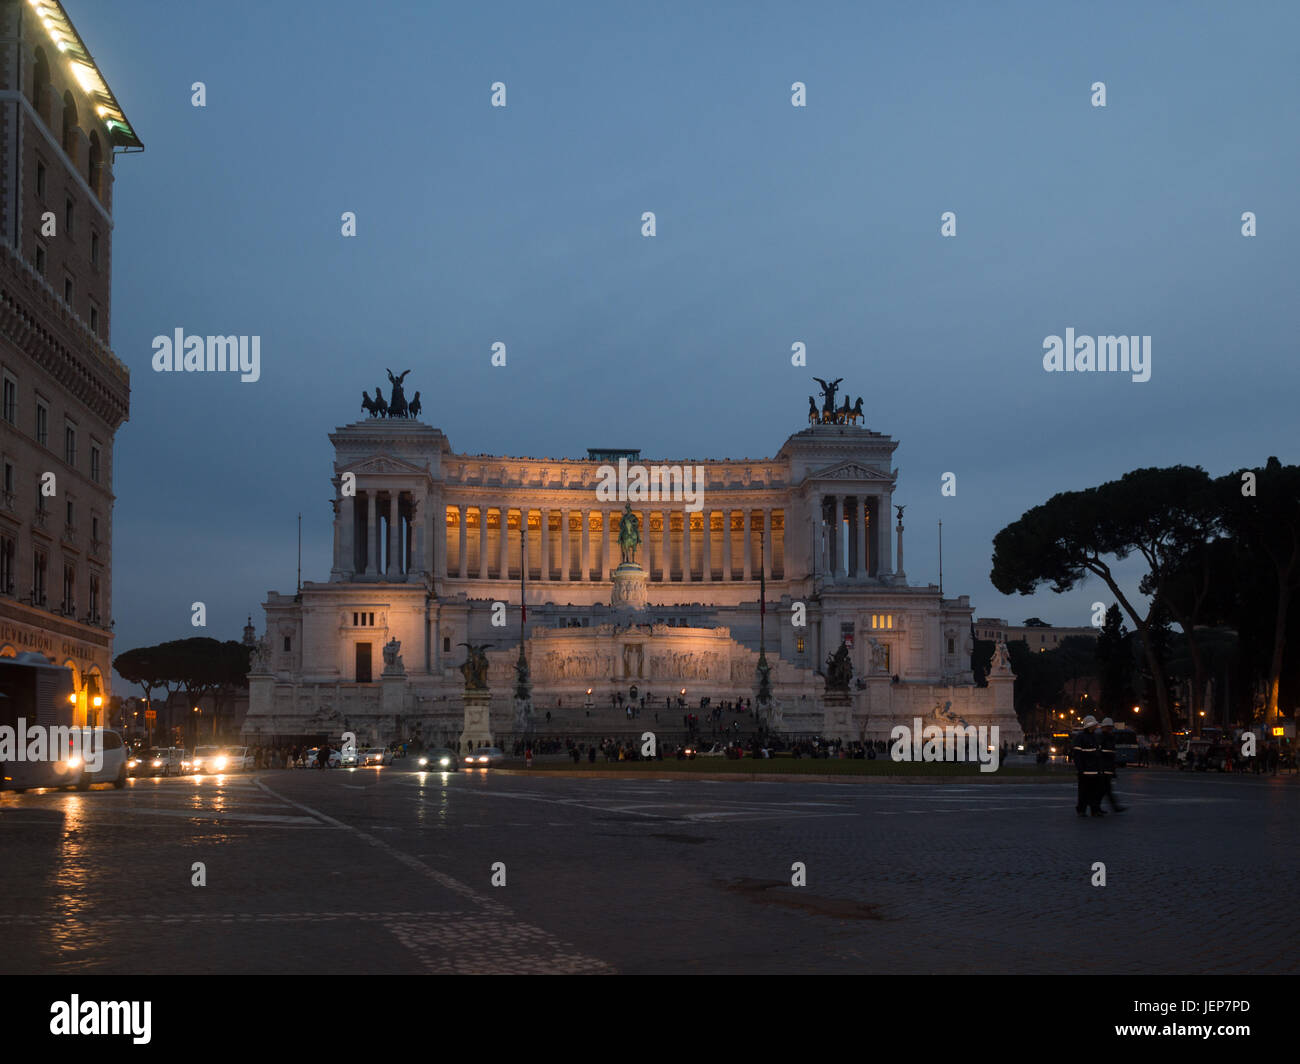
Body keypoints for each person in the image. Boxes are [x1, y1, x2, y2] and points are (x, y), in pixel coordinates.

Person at [1072, 716, 1104, 817]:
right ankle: (1081, 810)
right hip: (1085, 771)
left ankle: (1094, 810)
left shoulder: (1095, 736)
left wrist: (1100, 769)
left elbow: (1098, 754)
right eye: (1094, 725)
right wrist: (1080, 769)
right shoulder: (1080, 737)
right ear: (1090, 725)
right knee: (1083, 792)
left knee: (1095, 792)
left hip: (1095, 771)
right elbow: (1077, 755)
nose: (1096, 726)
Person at [1097, 718, 1127, 813]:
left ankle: (1097, 807)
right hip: (1104, 767)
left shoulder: (1109, 738)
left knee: (1104, 790)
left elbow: (1111, 754)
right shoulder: (1103, 738)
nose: (1110, 729)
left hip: (1107, 767)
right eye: (1109, 727)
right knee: (1105, 790)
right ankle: (1111, 807)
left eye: (1110, 727)